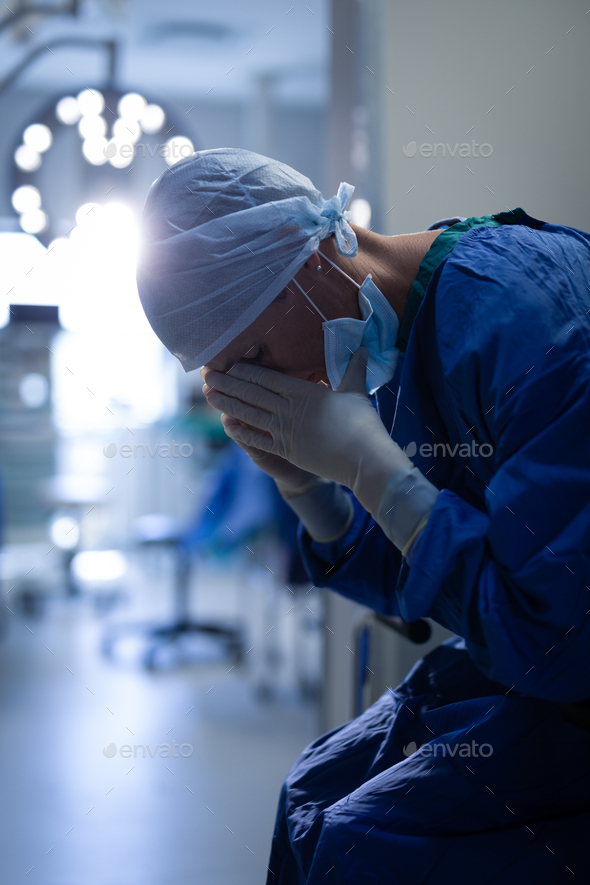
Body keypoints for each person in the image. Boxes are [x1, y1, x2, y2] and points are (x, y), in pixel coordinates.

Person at [136, 148, 590, 884]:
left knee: (359, 847)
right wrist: (310, 492)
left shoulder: (526, 320)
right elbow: (426, 574)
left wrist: (377, 473)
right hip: (527, 665)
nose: (261, 385)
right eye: (233, 375)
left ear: (307, 260)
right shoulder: (381, 347)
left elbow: (555, 641)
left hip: (563, 670)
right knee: (309, 794)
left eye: (254, 353)